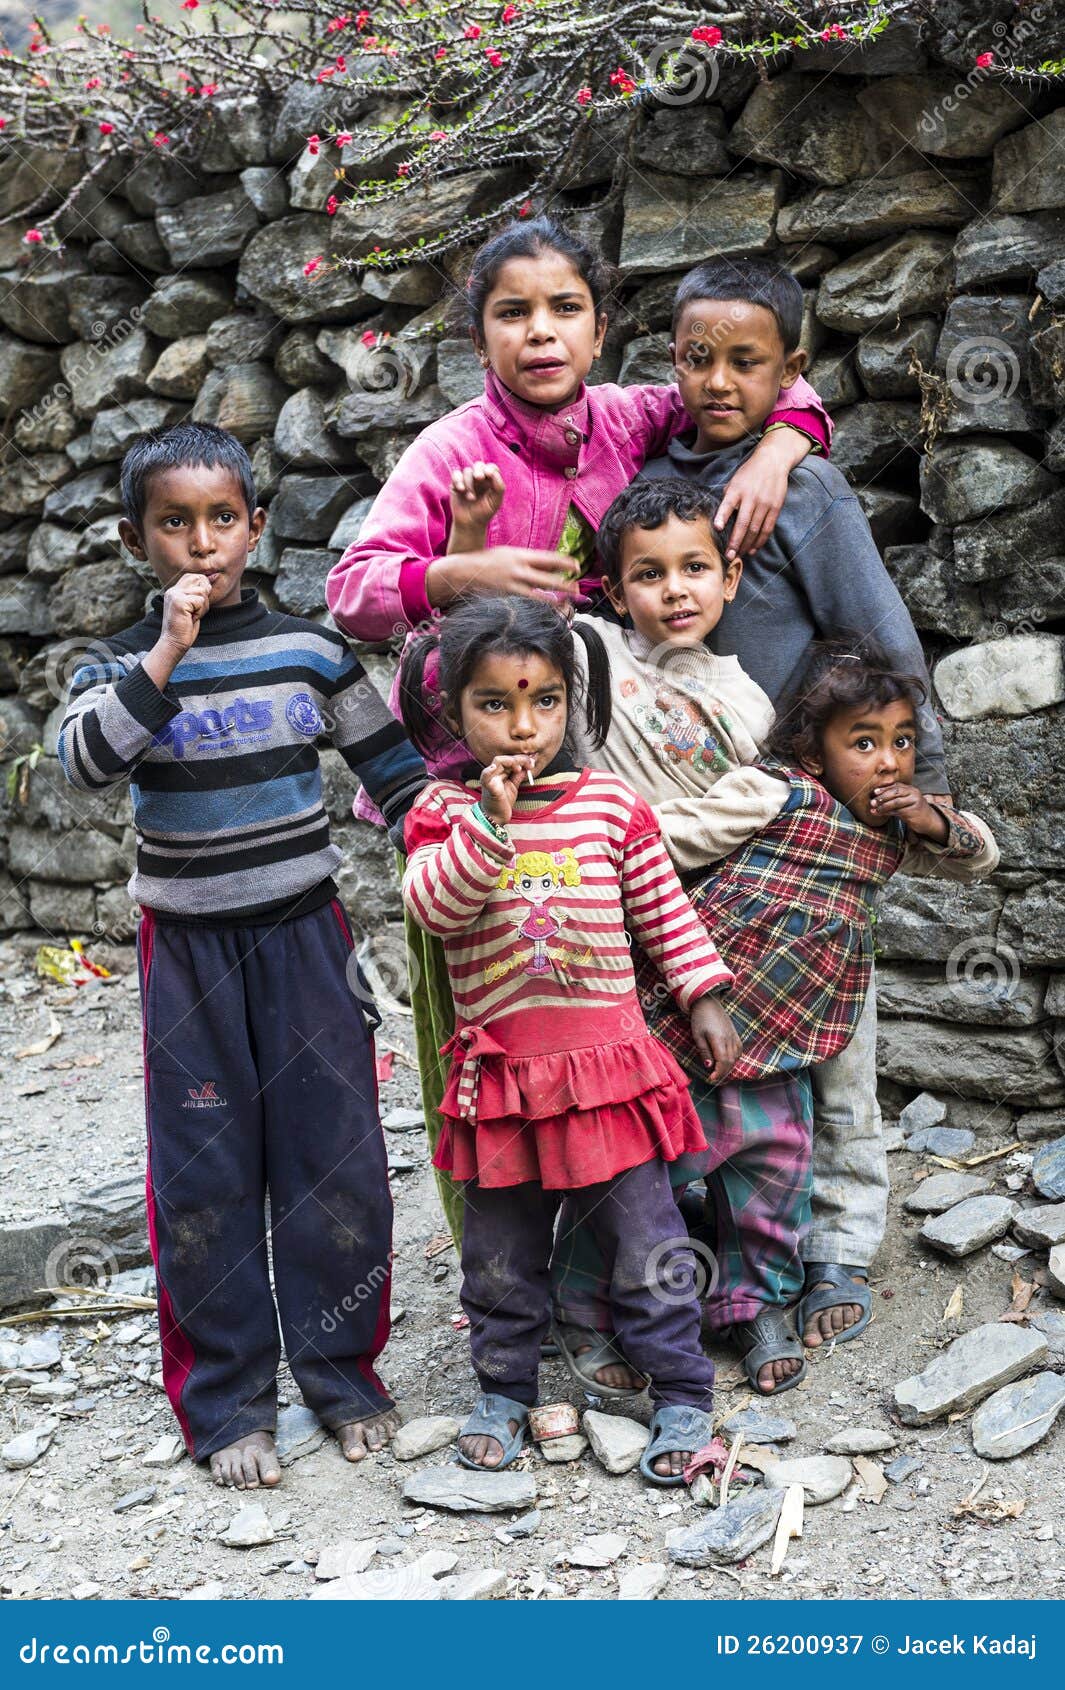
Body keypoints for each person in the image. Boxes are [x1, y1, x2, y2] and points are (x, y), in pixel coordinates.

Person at [325, 214, 832, 1240]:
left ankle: (611, 1246)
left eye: (566, 310)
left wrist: (781, 448)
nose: (541, 333)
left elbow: (783, 384)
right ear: (482, 344)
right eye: (514, 313)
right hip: (470, 791)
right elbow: (353, 591)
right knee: (484, 1025)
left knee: (599, 1026)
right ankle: (498, 1255)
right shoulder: (453, 448)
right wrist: (453, 570)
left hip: (594, 789)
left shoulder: (629, 417)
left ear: (601, 332)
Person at [57, 423, 428, 1489]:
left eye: (223, 519)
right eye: (174, 524)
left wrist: (466, 830)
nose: (202, 544)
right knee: (204, 1174)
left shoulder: (310, 650)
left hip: (307, 938)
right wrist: (166, 652)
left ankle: (343, 1371)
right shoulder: (118, 665)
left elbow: (393, 773)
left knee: (337, 1153)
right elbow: (86, 760)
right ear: (139, 541)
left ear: (257, 528)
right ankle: (225, 1402)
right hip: (188, 957)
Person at [638, 253, 954, 1348]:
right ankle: (736, 1251)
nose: (719, 380)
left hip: (814, 822)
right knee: (726, 1054)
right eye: (696, 357)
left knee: (838, 1045)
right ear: (668, 360)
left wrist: (910, 792)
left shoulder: (803, 487)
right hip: (706, 820)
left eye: (747, 363)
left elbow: (883, 639)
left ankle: (840, 1244)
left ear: (793, 371)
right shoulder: (659, 471)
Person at [553, 640, 999, 1391]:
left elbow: (979, 857)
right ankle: (585, 1305)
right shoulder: (772, 793)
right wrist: (570, 849)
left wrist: (934, 818)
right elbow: (665, 838)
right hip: (692, 1011)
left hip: (791, 1032)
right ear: (811, 753)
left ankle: (752, 1303)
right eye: (863, 743)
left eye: (901, 743)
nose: (888, 762)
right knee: (646, 1166)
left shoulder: (892, 835)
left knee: (773, 1170)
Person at [399, 594, 741, 1482]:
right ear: (453, 709)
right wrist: (490, 822)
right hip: (506, 1077)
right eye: (494, 704)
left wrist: (702, 994)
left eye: (544, 701)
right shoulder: (441, 814)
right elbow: (435, 908)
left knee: (647, 1239)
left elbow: (662, 910)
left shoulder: (607, 807)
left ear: (572, 704)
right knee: (500, 1251)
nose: (522, 726)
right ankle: (503, 1390)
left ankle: (681, 1392)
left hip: (609, 1073)